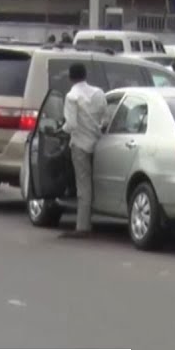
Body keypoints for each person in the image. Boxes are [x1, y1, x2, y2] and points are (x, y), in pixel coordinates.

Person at [61, 63, 108, 237]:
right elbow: (105, 117)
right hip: (99, 143)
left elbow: (71, 124)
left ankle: (83, 226)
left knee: (84, 186)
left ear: (70, 77)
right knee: (98, 181)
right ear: (85, 75)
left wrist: (61, 129)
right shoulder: (98, 93)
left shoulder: (71, 96)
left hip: (80, 145)